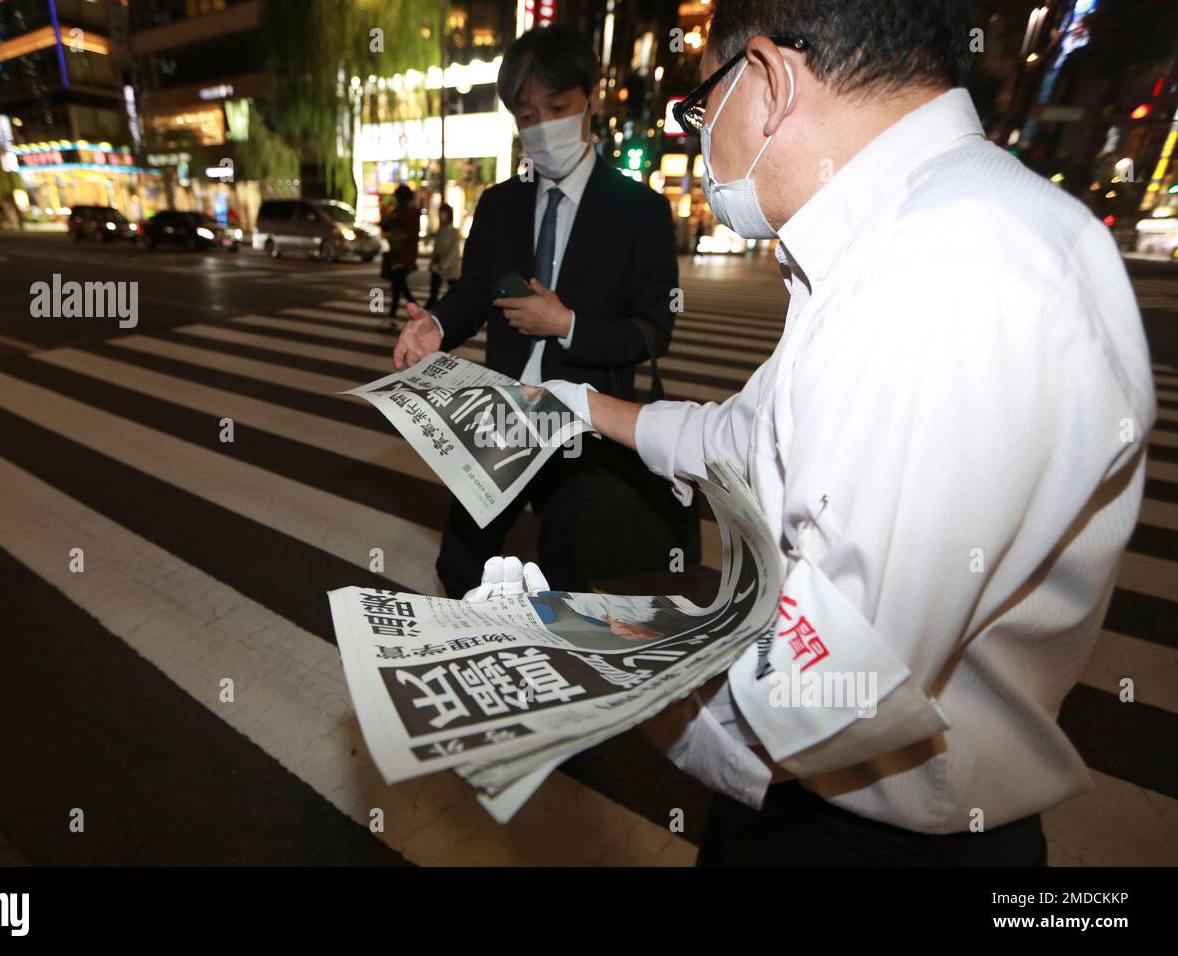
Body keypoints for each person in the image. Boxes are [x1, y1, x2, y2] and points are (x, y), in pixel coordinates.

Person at [487, 0, 1157, 866]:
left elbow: (822, 686)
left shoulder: (952, 273)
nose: (700, 143)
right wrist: (579, 409)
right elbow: (745, 438)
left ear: (764, 83)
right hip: (820, 807)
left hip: (878, 837)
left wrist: (569, 652)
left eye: (699, 110)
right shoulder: (897, 240)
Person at [391, 25, 679, 598]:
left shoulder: (638, 212)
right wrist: (439, 325)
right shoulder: (499, 206)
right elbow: (477, 292)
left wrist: (567, 326)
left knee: (563, 574)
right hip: (504, 416)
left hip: (584, 425)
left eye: (557, 106)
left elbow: (652, 330)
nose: (542, 125)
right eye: (526, 114)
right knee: (459, 564)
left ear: (591, 100)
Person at [380, 184, 420, 330]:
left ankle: (417, 314)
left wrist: (395, 235)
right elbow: (384, 224)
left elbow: (410, 234)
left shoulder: (410, 213)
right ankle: (395, 316)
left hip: (403, 255)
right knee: (399, 287)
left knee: (400, 287)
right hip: (399, 255)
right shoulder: (400, 211)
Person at [425, 203, 461, 308]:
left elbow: (453, 252)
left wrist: (443, 265)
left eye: (444, 213)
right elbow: (436, 250)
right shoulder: (440, 231)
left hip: (449, 268)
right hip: (437, 266)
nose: (442, 216)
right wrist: (432, 263)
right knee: (433, 294)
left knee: (454, 294)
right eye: (441, 213)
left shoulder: (454, 232)